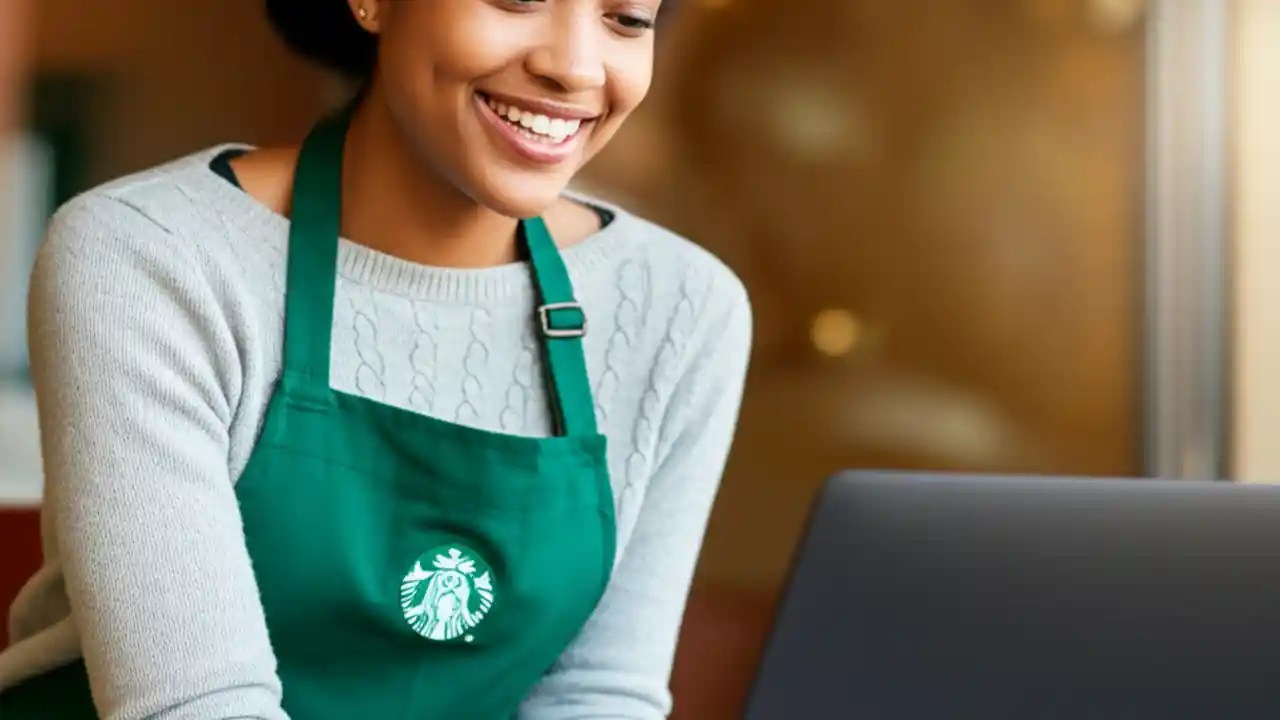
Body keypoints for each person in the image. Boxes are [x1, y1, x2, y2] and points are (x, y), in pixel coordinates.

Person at [0, 0, 752, 717]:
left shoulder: (682, 307)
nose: (577, 68)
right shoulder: (153, 257)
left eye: (625, 19)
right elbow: (196, 708)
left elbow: (596, 700)